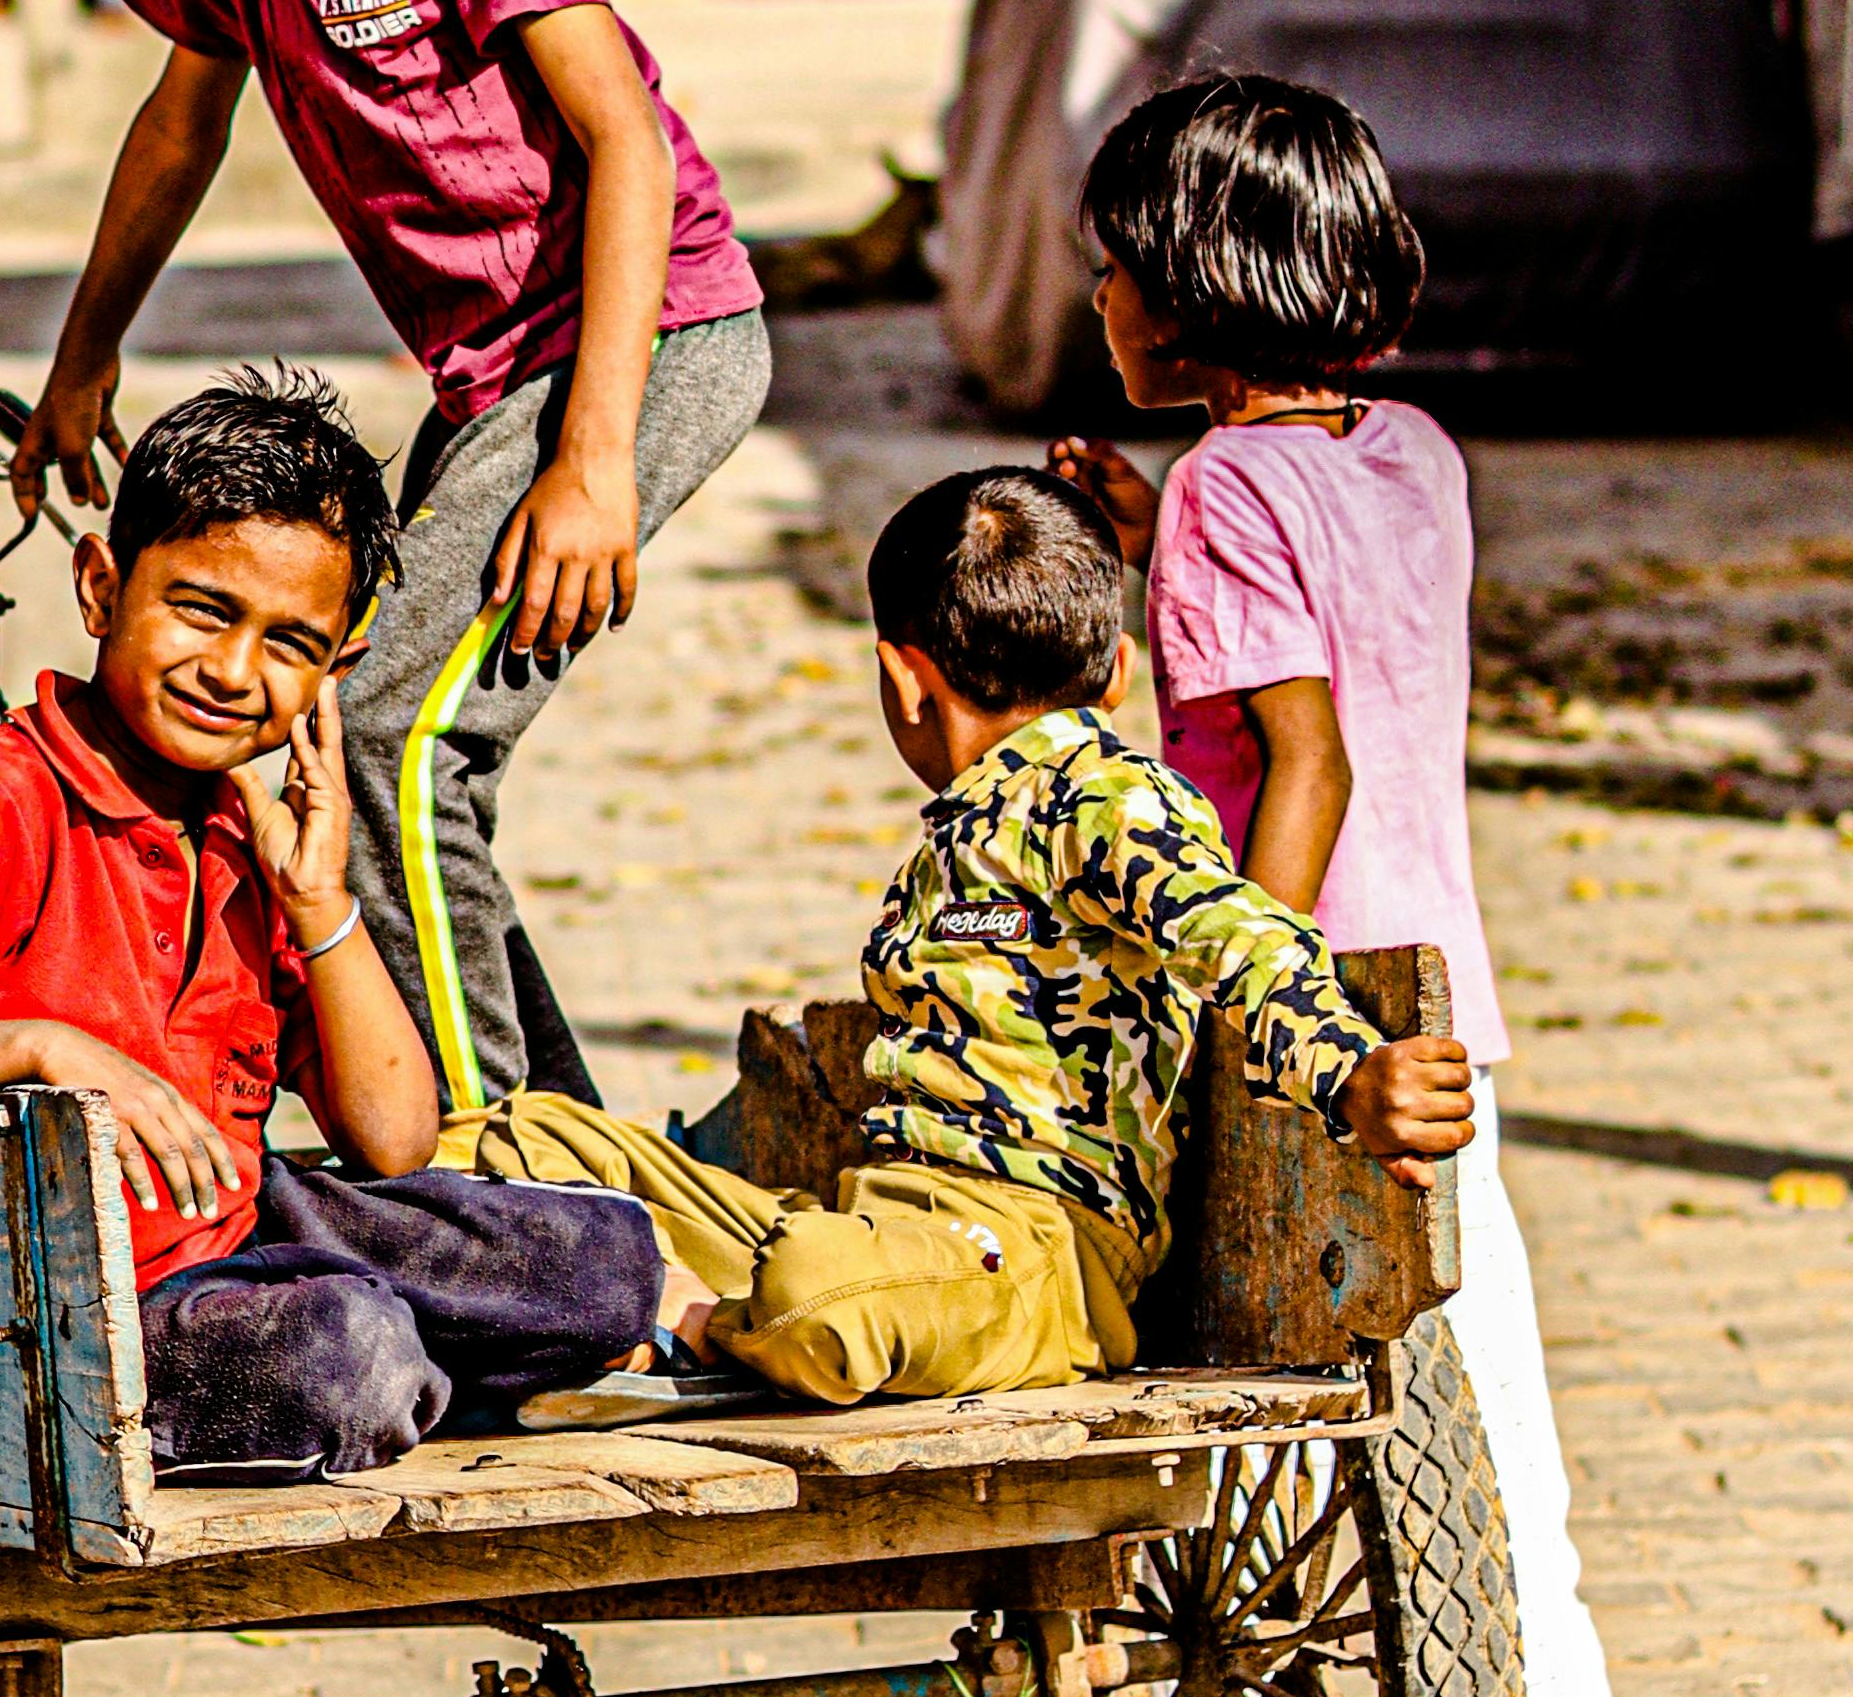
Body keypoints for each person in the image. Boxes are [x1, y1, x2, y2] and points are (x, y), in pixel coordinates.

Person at [1050, 69, 1749, 1697]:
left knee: (1257, 1465)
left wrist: (1240, 1014)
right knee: (1490, 1432)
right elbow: (1325, 657)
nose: (1094, 302)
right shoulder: (1412, 456)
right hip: (1452, 1012)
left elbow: (1295, 759)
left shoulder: (1214, 495)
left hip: (1316, 1034)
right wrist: (1146, 540)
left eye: (1109, 269)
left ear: (1179, 294)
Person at [20, 0, 768, 1121]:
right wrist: (82, 364)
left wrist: (592, 461)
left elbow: (625, 141)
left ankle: (486, 1197)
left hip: (643, 337)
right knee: (385, 742)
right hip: (490, 378)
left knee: (394, 747)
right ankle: (579, 1173)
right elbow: (174, 129)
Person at [464, 471, 1469, 1408]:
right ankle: (662, 1306)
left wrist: (1347, 1075)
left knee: (817, 1290)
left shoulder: (1103, 795)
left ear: (901, 682)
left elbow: (1240, 930)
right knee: (533, 1134)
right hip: (881, 1226)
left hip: (1030, 1261)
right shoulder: (954, 839)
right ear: (1119, 671)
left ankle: (680, 1324)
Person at [0, 375, 663, 1471]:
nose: (232, 671)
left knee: (602, 1262)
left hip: (244, 1237)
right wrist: (46, 1048)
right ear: (99, 589)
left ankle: (407, 1368)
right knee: (348, 1353)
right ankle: (403, 1377)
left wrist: (320, 905)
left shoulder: (246, 836)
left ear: (337, 667)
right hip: (71, 1308)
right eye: (202, 609)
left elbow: (394, 1138)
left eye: (288, 643)